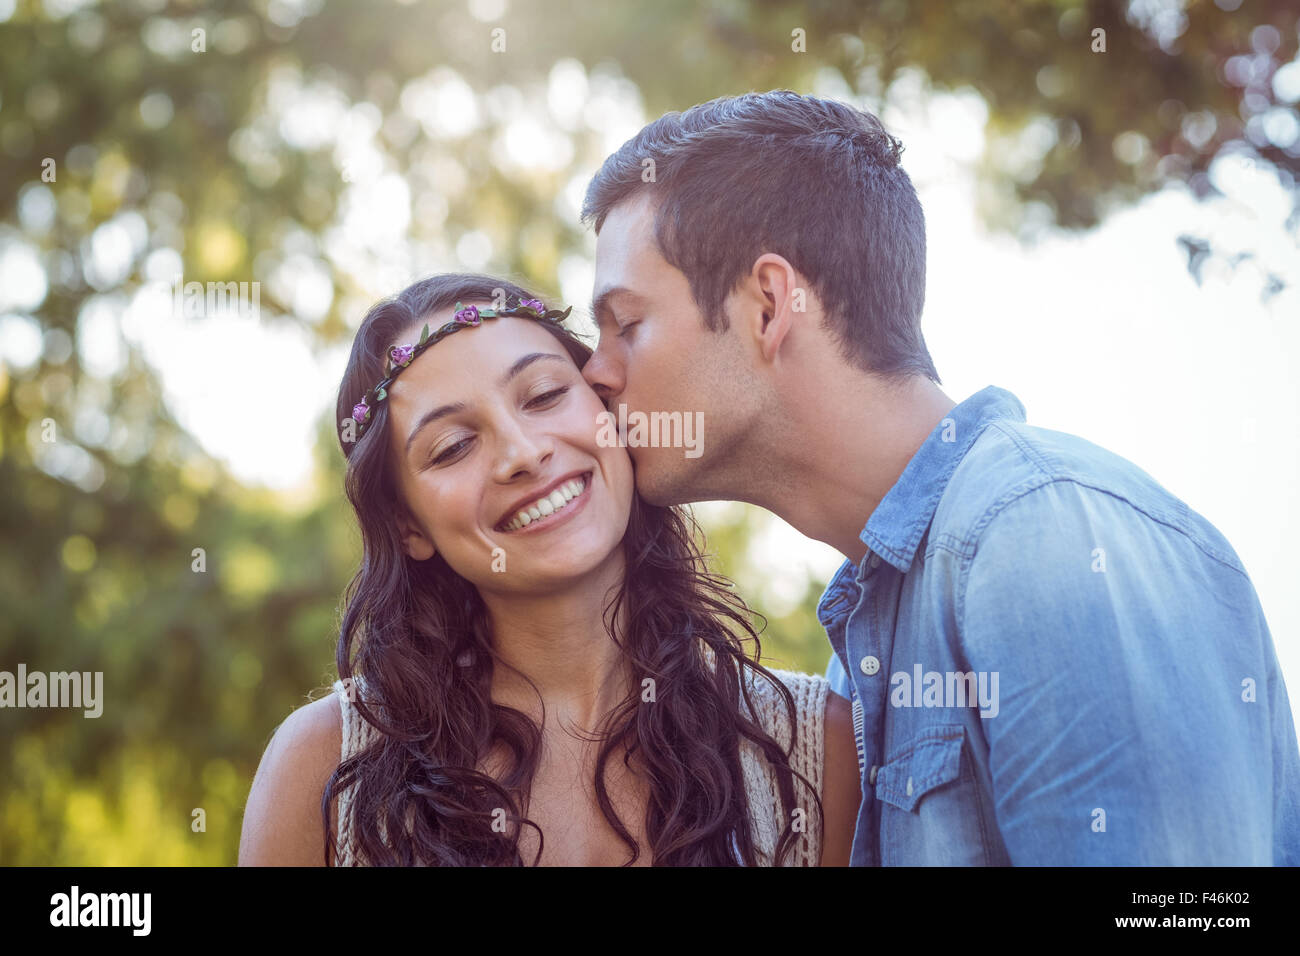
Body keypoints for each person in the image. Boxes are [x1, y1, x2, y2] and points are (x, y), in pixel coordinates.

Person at [577, 89, 1300, 865]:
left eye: (628, 325)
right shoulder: (870, 639)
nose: (596, 373)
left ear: (767, 306)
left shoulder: (1040, 534)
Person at [237, 273, 861, 866]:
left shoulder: (815, 750)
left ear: (607, 408)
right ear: (408, 526)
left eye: (544, 395)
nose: (523, 453)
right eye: (453, 446)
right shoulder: (323, 767)